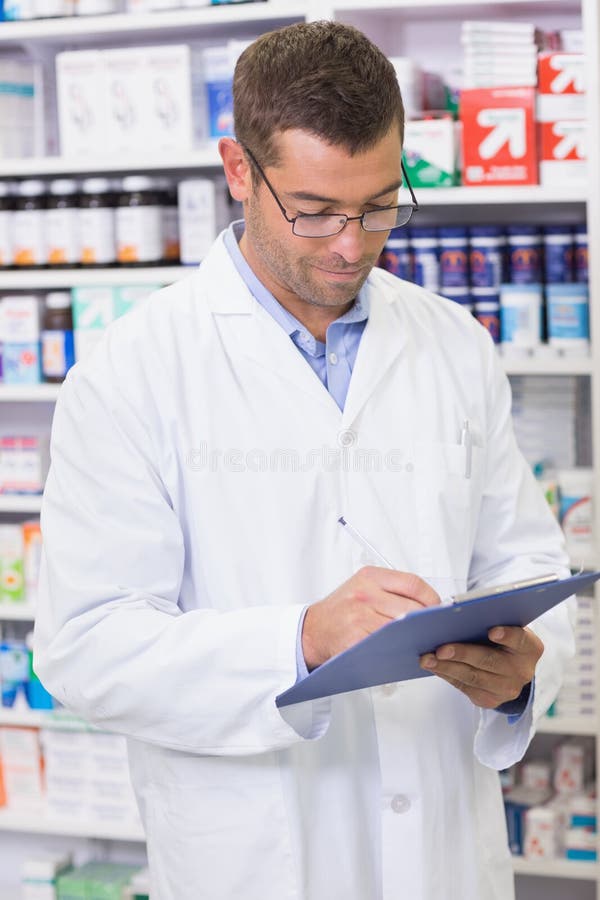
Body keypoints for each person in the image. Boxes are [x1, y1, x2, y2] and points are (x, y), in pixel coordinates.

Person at [34, 21, 574, 900]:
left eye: (379, 206)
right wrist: (299, 642)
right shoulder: (133, 368)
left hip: (442, 857)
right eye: (316, 211)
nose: (352, 244)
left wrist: (521, 672)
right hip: (255, 862)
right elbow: (86, 647)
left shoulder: (452, 343)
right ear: (239, 170)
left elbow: (526, 562)